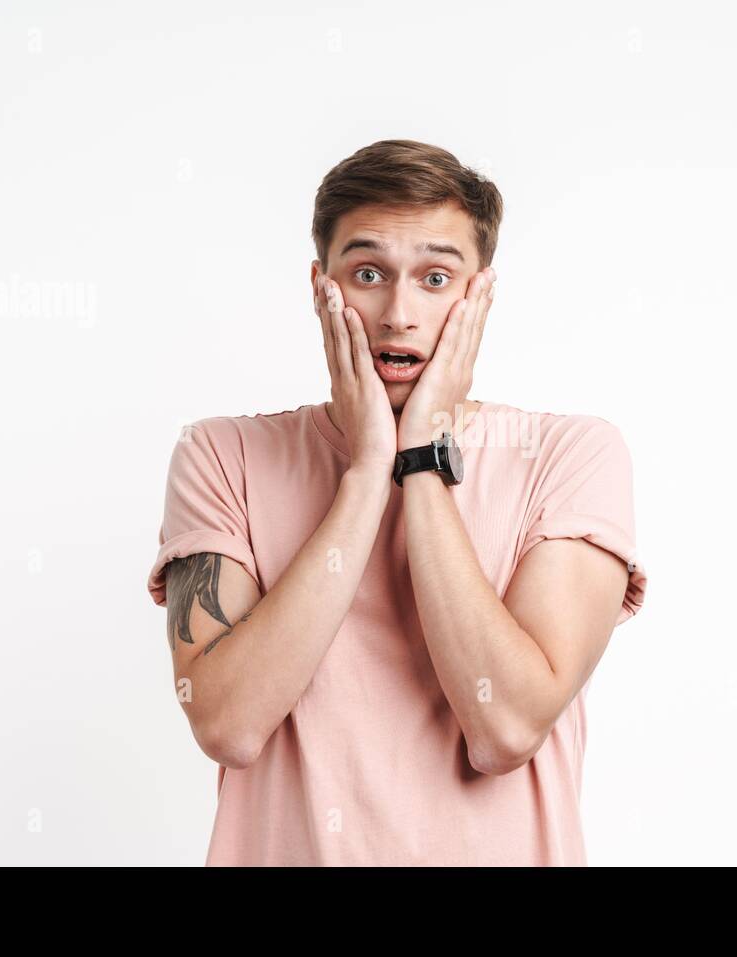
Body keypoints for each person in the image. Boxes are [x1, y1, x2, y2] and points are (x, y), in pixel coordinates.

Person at [146, 139, 648, 865]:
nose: (398, 313)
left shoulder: (571, 457)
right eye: (369, 272)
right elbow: (228, 723)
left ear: (480, 295)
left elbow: (504, 726)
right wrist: (366, 469)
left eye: (436, 277)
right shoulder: (222, 456)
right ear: (321, 286)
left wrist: (420, 461)